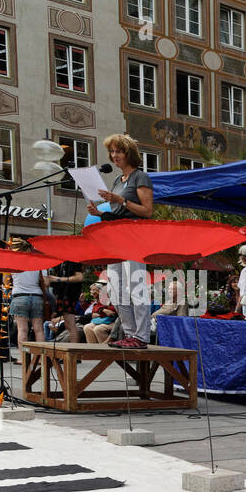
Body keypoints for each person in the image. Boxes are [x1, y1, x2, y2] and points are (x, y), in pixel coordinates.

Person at [92, 134, 153, 349]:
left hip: (135, 235)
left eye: (118, 151)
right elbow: (118, 213)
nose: (114, 155)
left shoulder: (140, 177)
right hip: (117, 236)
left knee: (136, 284)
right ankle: (129, 333)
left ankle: (142, 336)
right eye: (112, 151)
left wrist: (120, 200)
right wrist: (100, 213)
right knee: (115, 288)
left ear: (129, 154)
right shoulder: (118, 180)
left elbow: (147, 210)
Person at [48, 260, 85, 344]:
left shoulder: (72, 260)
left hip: (70, 295)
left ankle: (74, 350)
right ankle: (73, 350)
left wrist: (58, 279)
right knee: (68, 324)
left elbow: (79, 277)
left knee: (70, 324)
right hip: (64, 294)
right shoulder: (63, 262)